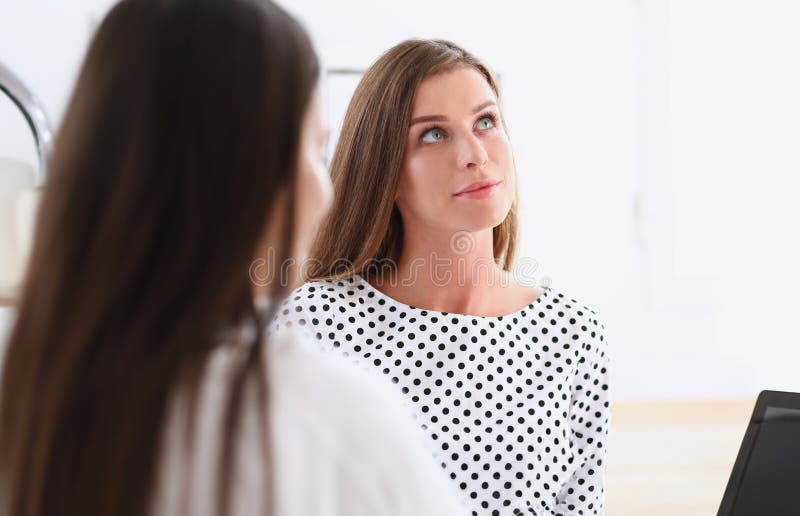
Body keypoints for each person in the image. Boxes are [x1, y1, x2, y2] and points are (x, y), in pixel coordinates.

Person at [0, 4, 464, 516]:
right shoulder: (329, 422)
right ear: (242, 173)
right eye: (312, 151)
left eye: (488, 120)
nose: (325, 191)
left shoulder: (28, 388)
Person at [272, 39, 611, 516]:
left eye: (486, 122)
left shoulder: (573, 332)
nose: (475, 154)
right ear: (385, 172)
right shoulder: (317, 321)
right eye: (433, 135)